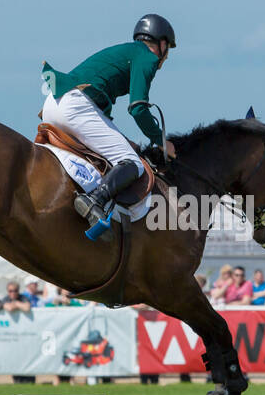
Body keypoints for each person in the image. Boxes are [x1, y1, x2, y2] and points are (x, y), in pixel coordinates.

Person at [41, 14, 177, 236]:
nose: (166, 57)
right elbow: (138, 108)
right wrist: (161, 140)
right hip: (76, 105)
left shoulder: (125, 52)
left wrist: (124, 140)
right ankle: (94, 199)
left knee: (116, 153)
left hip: (53, 103)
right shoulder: (147, 58)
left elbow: (100, 112)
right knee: (133, 163)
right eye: (168, 49)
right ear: (161, 44)